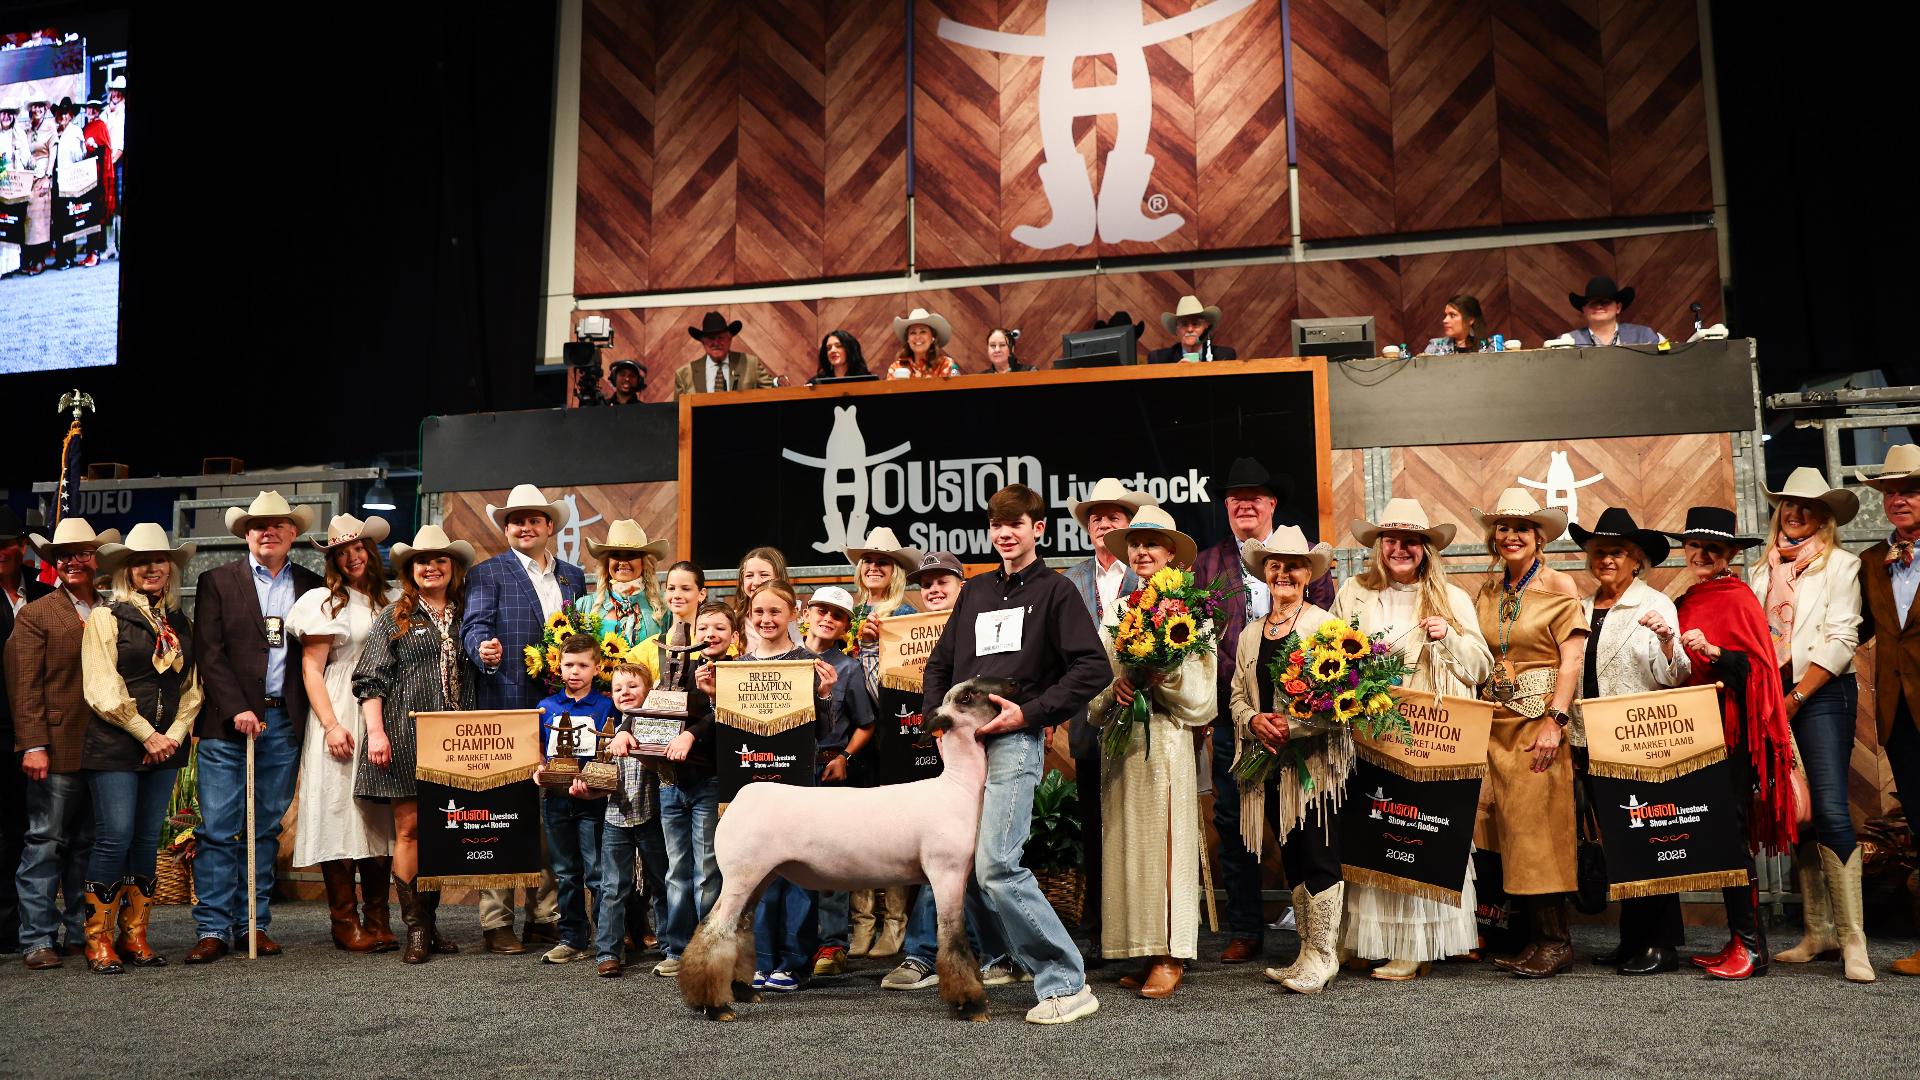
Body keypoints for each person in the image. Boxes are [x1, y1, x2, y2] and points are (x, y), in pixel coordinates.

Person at [921, 483, 1111, 1024]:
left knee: (999, 864)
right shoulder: (976, 592)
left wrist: (1030, 714)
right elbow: (939, 665)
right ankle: (1011, 957)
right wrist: (939, 717)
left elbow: (1092, 668)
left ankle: (1067, 983)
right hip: (961, 749)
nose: (1005, 533)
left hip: (1014, 740)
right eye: (996, 525)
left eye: (1016, 524)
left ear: (1038, 530)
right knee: (966, 861)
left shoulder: (1056, 592)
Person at [1334, 498, 1492, 981]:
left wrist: (1450, 636)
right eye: (1391, 540)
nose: (1399, 548)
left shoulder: (1452, 600)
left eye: (1410, 542)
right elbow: (1331, 653)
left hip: (1428, 735)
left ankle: (1413, 945)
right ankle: (1365, 941)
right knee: (1372, 832)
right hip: (1369, 731)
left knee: (1417, 832)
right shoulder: (1353, 592)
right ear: (1378, 546)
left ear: (1426, 550)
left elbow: (1481, 668)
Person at [1192, 456, 1333, 964]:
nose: (1244, 503)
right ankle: (1247, 928)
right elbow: (1199, 643)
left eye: (1255, 495)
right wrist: (1243, 707)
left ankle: (1313, 939)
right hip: (1237, 717)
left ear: (1272, 504)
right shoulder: (1206, 565)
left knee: (1304, 822)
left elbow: (1330, 638)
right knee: (1234, 822)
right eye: (1235, 497)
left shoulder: (1305, 562)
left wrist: (1294, 712)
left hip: (1302, 721)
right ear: (1227, 507)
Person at [1664, 506, 1801, 980]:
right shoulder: (1686, 599)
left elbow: (1758, 671)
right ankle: (1739, 940)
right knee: (1716, 837)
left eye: (1713, 549)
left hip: (1732, 736)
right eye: (1694, 546)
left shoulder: (1737, 596)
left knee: (1731, 835)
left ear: (1727, 556)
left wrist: (1716, 652)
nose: (1701, 554)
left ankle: (1752, 947)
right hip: (1695, 734)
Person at [187, 492, 324, 964]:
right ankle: (212, 928)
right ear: (246, 534)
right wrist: (235, 708)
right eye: (258, 525)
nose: (268, 531)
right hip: (229, 726)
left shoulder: (312, 584)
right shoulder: (216, 581)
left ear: (293, 533)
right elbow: (209, 652)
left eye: (278, 525)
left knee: (264, 829)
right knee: (219, 830)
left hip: (283, 721)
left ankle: (254, 923)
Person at [1085, 507, 1214, 998]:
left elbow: (1202, 696)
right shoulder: (1117, 612)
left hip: (1165, 739)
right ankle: (1141, 945)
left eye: (1150, 545)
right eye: (1134, 544)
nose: (1140, 552)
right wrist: (1116, 688)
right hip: (1124, 740)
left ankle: (1171, 952)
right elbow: (1098, 677)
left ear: (1170, 555)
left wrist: (1163, 678)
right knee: (1128, 842)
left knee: (1165, 839)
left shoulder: (1191, 612)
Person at [1749, 468, 1867, 981]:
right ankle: (1817, 930)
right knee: (1794, 808)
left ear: (1824, 516)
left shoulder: (1841, 565)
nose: (1795, 514)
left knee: (1831, 809)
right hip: (1775, 699)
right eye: (1789, 506)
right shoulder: (1761, 572)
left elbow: (1842, 640)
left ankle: (1853, 940)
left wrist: (1796, 695)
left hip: (1818, 694)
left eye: (1807, 507)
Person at [461, 483, 585, 953]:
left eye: (534, 518)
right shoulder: (488, 573)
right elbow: (474, 626)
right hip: (507, 703)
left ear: (549, 526)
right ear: (506, 528)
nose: (524, 525)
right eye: (515, 520)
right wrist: (484, 652)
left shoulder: (573, 577)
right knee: (503, 811)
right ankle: (496, 920)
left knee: (554, 811)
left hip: (565, 708)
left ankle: (545, 915)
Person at [1566, 508, 1689, 976]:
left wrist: (1665, 641)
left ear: (1636, 559)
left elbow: (1675, 675)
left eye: (1616, 551)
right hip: (1587, 737)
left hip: (1638, 737)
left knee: (1649, 837)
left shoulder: (1654, 604)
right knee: (1617, 842)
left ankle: (1660, 943)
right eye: (1598, 551)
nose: (1606, 559)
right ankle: (1631, 938)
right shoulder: (1581, 606)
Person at [1471, 487, 1587, 979]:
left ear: (1539, 537)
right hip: (1494, 722)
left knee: (1539, 827)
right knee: (1504, 829)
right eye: (1503, 527)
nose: (1511, 535)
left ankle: (1555, 941)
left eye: (1522, 528)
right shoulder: (1490, 589)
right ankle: (1520, 934)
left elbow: (1572, 660)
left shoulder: (1560, 586)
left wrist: (1555, 722)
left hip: (1538, 721)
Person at [1229, 527, 1349, 994]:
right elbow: (1237, 694)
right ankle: (1305, 951)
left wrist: (1292, 727)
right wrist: (1254, 720)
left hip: (1315, 763)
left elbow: (1343, 703)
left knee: (1318, 853)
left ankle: (1324, 955)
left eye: (1293, 565)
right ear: (1264, 572)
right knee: (1293, 851)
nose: (1283, 572)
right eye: (1275, 565)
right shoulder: (1251, 633)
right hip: (1270, 762)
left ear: (1308, 575)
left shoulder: (1324, 626)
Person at [77, 523, 200, 974]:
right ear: (127, 571)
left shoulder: (179, 623)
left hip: (164, 747)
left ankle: (136, 935)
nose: (153, 567)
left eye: (160, 560)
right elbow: (101, 685)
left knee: (148, 839)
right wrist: (146, 733)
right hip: (116, 744)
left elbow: (192, 689)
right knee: (115, 838)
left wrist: (173, 736)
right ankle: (98, 941)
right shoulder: (107, 618)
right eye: (142, 561)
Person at [707, 579, 837, 991]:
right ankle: (760, 960)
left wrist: (826, 694)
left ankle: (795, 962)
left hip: (797, 783)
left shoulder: (806, 662)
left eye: (775, 612)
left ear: (794, 614)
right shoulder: (736, 666)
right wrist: (713, 697)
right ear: (748, 615)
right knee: (755, 871)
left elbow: (826, 733)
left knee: (799, 869)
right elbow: (724, 735)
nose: (766, 619)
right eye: (759, 612)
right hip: (750, 790)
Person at [354, 525, 476, 964]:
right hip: (405, 736)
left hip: (459, 742)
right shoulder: (395, 616)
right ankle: (417, 930)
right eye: (422, 562)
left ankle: (433, 921)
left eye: (440, 559)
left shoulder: (469, 614)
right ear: (410, 571)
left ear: (453, 567)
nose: (431, 567)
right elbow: (370, 678)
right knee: (409, 831)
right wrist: (377, 732)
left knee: (441, 832)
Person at [7, 518, 117, 969]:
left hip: (106, 748)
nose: (73, 561)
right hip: (56, 744)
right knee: (44, 842)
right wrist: (33, 743)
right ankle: (35, 937)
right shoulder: (37, 614)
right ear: (53, 563)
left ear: (96, 558)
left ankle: (79, 930)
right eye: (64, 555)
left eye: (82, 553)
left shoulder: (114, 609)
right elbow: (25, 685)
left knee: (89, 844)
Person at [286, 515, 397, 954]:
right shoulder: (324, 601)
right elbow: (312, 670)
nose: (353, 557)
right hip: (338, 706)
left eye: (360, 549)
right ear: (333, 559)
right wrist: (332, 725)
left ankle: (379, 917)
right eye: (343, 552)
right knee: (338, 807)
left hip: (382, 711)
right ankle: (344, 921)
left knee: (377, 814)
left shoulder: (389, 600)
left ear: (371, 552)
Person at [1059, 478, 1151, 960]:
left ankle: (1138, 923)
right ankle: (1097, 924)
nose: (1103, 523)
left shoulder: (1151, 575)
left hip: (1141, 713)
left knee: (1137, 819)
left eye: (1114, 516)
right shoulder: (1068, 579)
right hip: (1086, 718)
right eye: (1096, 517)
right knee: (1096, 823)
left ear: (1128, 525)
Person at [878, 551, 972, 993]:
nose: (934, 590)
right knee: (943, 857)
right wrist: (870, 647)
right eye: (927, 584)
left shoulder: (978, 628)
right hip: (916, 751)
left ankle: (924, 952)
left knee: (961, 857)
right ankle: (926, 951)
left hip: (971, 758)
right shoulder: (902, 631)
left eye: (943, 583)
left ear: (961, 587)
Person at [836, 527, 920, 961]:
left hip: (890, 734)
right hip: (853, 736)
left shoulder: (904, 614)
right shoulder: (846, 613)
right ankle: (862, 921)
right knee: (856, 832)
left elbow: (892, 687)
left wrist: (870, 649)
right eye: (867, 561)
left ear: (896, 571)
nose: (873, 567)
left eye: (882, 562)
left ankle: (894, 922)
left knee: (889, 833)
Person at [1855, 444, 1920, 977]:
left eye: (1912, 490)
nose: (1899, 499)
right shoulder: (1872, 561)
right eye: (1892, 492)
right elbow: (1854, 632)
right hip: (1900, 716)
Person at [650, 599, 737, 978]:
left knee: (706, 871)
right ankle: (675, 947)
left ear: (733, 636)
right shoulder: (676, 671)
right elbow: (654, 713)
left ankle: (709, 948)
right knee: (675, 870)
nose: (710, 635)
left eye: (719, 628)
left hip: (710, 782)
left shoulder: (737, 671)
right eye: (704, 628)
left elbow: (724, 719)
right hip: (672, 782)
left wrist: (691, 734)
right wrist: (624, 733)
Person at [800, 585, 875, 977]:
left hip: (828, 768)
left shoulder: (849, 668)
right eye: (822, 611)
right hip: (787, 771)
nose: (828, 619)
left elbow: (866, 724)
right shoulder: (785, 659)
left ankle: (832, 943)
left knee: (830, 859)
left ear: (846, 626)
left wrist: (845, 756)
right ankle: (793, 942)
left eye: (837, 615)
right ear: (807, 613)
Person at [531, 634, 616, 966]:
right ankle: (572, 937)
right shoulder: (547, 707)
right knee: (566, 872)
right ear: (559, 666)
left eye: (583, 665)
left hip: (592, 800)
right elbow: (539, 747)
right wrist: (539, 769)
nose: (575, 671)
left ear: (596, 668)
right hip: (555, 799)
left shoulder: (606, 706)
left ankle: (608, 937)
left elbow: (610, 752)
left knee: (596, 872)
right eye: (569, 665)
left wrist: (596, 782)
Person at [0, 506, 54, 952]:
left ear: (21, 547)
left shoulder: (43, 592)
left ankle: (25, 927)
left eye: (7, 544)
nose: (1, 552)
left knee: (29, 830)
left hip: (38, 730)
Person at [598, 661, 661, 976]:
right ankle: (608, 952)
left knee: (662, 883)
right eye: (618, 688)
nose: (625, 693)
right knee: (613, 886)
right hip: (616, 816)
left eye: (633, 686)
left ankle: (670, 945)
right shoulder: (608, 729)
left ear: (649, 691)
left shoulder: (657, 725)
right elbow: (599, 775)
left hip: (652, 815)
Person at [575, 519, 669, 652]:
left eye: (631, 555)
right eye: (616, 554)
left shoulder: (663, 607)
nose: (623, 562)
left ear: (643, 562)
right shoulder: (584, 606)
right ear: (607, 562)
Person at [672, 311, 776, 396]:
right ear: (703, 342)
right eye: (711, 338)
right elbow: (677, 413)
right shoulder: (685, 374)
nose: (716, 343)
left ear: (730, 339)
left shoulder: (750, 364)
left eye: (720, 338)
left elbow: (774, 394)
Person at [1565, 276, 1658, 346]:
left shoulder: (1644, 336)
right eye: (1593, 303)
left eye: (1605, 302)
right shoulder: (1566, 343)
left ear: (1618, 308)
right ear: (1584, 309)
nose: (1599, 306)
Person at [1148, 295, 1238, 364]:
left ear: (1205, 327)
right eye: (1184, 324)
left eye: (1196, 324)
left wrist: (1201, 371)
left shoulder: (1224, 356)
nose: (1190, 329)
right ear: (1176, 329)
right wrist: (1175, 374)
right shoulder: (1159, 359)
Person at [22, 97, 52, 276]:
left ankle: (40, 260)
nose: (38, 109)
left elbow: (52, 154)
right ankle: (32, 258)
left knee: (41, 221)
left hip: (42, 178)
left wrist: (48, 176)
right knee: (30, 221)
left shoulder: (50, 129)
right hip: (29, 179)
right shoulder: (27, 131)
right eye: (35, 106)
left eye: (41, 106)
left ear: (44, 109)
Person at [887, 308, 962, 379]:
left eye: (923, 332)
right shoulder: (896, 367)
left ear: (933, 337)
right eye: (913, 333)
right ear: (908, 339)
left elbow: (956, 390)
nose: (918, 337)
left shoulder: (946, 364)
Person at [1423, 295, 1497, 355]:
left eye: (1452, 315)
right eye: (1445, 315)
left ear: (1470, 320)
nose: (1445, 320)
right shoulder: (1436, 347)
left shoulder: (1491, 347)